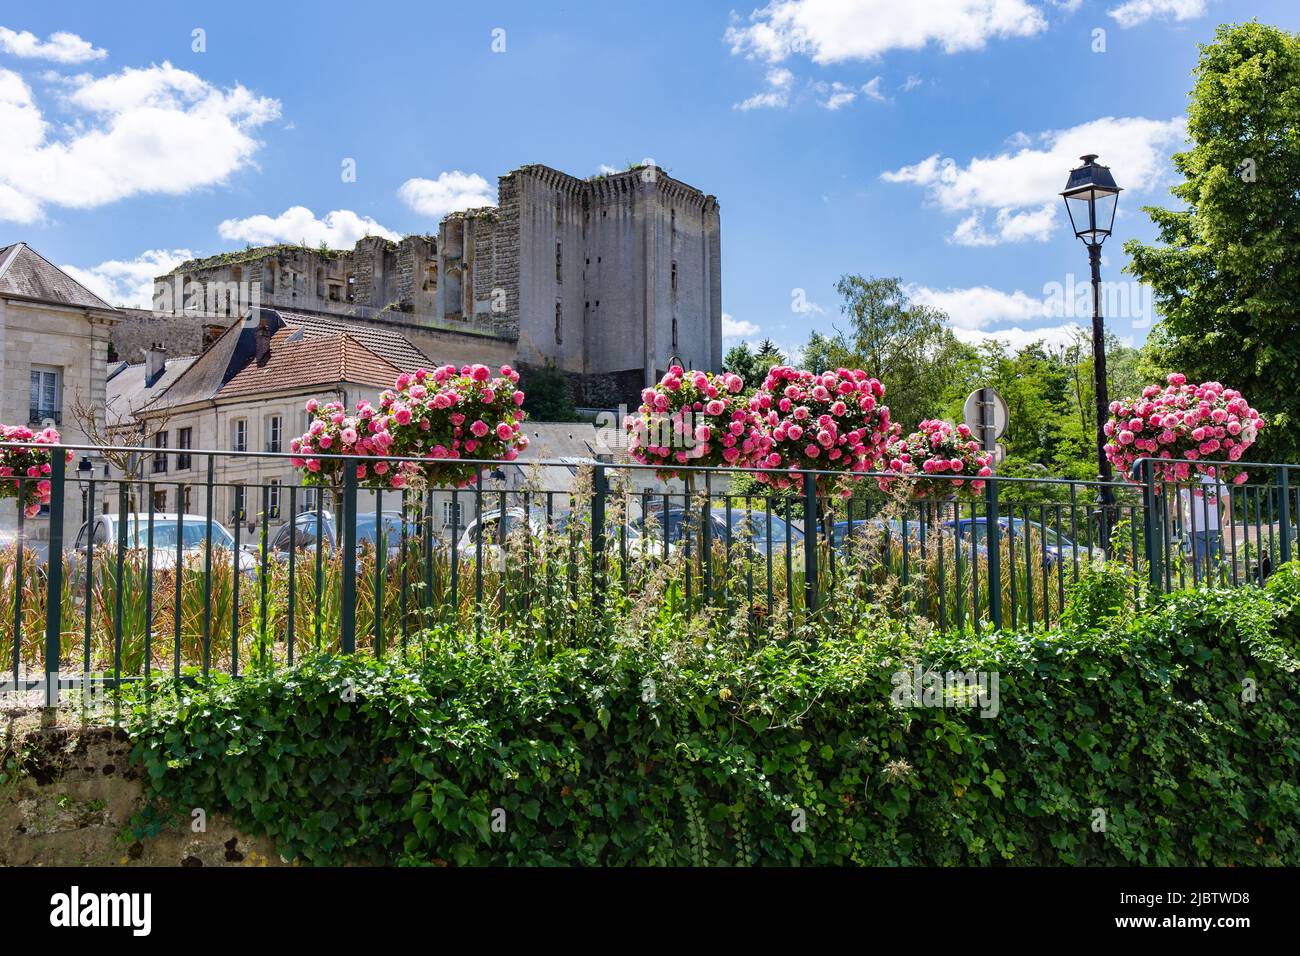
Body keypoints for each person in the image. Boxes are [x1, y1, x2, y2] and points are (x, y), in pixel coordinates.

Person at [1180, 471, 1226, 581]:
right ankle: (1224, 586)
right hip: (1215, 526)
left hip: (1195, 527)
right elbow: (1228, 505)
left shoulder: (1188, 481)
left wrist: (1186, 524)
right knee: (1220, 560)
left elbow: (1178, 506)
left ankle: (1200, 589)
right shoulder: (1218, 481)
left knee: (1198, 562)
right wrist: (1222, 523)